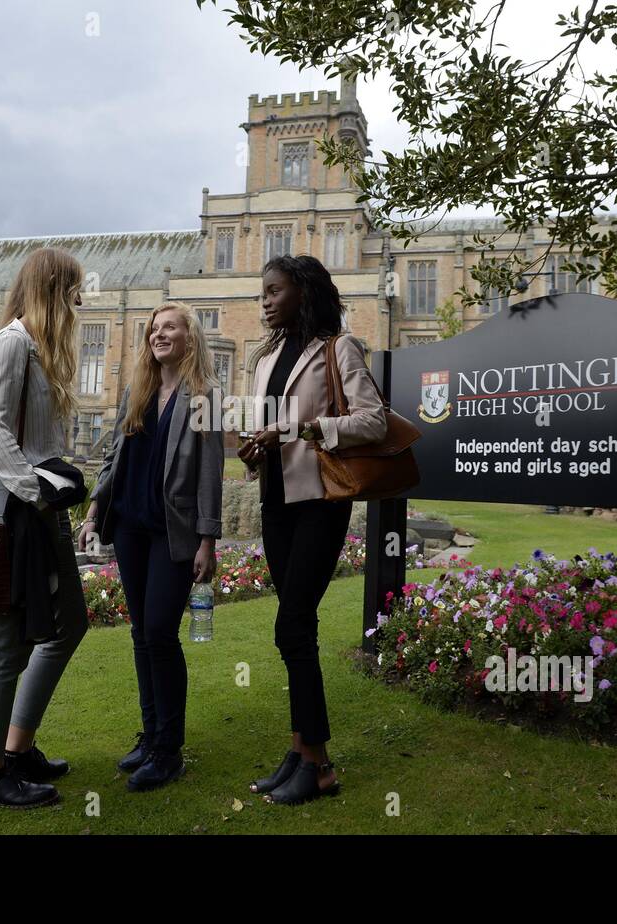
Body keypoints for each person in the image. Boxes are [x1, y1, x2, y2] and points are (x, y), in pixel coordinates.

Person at [238, 254, 387, 805]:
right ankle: (300, 750)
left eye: (275, 290)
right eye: (263, 292)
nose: (266, 300)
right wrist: (256, 448)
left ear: (304, 291)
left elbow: (372, 420)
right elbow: (269, 432)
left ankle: (319, 765)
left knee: (292, 626)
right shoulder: (266, 356)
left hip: (321, 502)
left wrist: (302, 428)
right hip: (276, 501)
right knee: (295, 627)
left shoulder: (337, 347)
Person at [0, 247, 90, 809]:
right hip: (15, 501)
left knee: (70, 623)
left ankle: (17, 748)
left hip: (39, 502)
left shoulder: (39, 349)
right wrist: (41, 492)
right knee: (9, 637)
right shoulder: (11, 342)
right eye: (75, 290)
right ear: (53, 290)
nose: (81, 301)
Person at [80, 302, 224, 791]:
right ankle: (149, 736)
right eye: (154, 329)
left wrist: (208, 538)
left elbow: (209, 473)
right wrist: (95, 511)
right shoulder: (136, 391)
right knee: (141, 633)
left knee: (161, 633)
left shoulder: (204, 395)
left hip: (173, 532)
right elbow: (114, 456)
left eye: (170, 328)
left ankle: (169, 750)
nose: (159, 335)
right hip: (130, 528)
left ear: (190, 337)